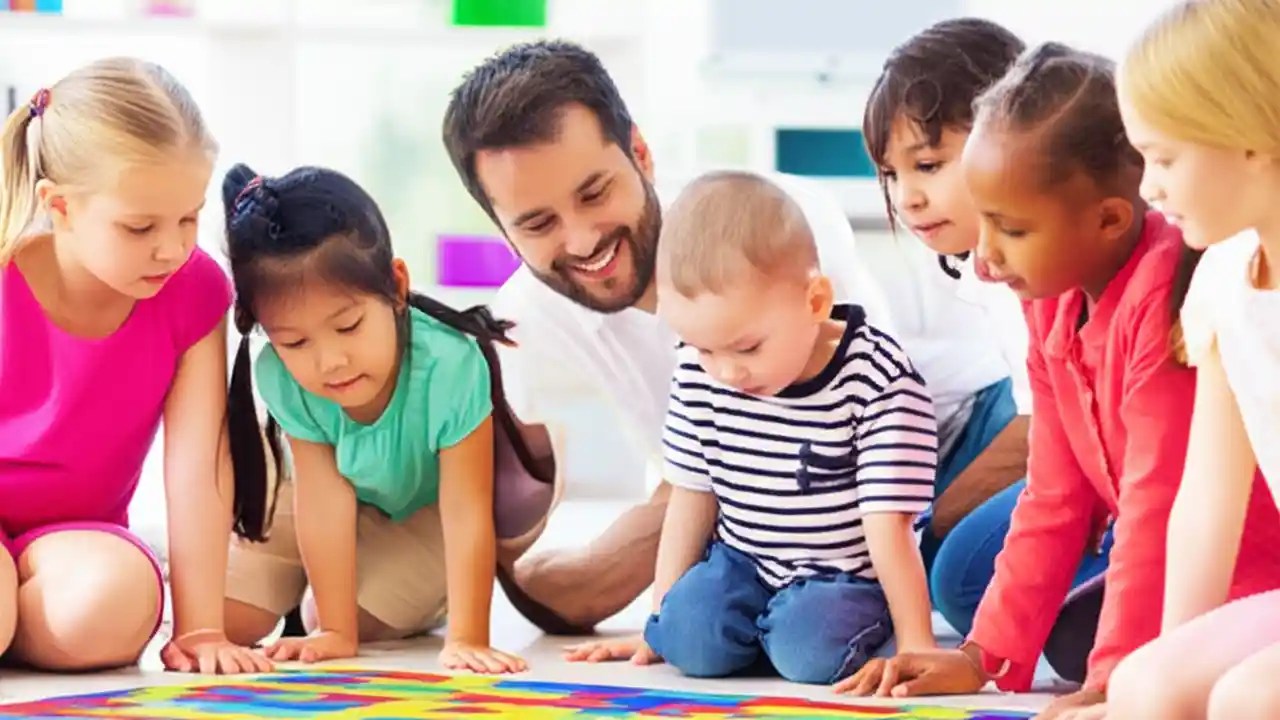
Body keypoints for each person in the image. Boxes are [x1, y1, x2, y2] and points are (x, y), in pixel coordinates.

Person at [441, 38, 1028, 637]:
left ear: (640, 154)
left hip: (957, 433)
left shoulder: (771, 217)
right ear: (502, 231)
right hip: (769, 501)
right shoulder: (523, 315)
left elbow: (861, 417)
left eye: (594, 193)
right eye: (538, 223)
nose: (583, 238)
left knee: (954, 574)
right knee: (576, 596)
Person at [837, 43, 1280, 720]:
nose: (983, 256)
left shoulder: (1167, 289)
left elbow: (1155, 506)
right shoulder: (1049, 298)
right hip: (1182, 581)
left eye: (1010, 229)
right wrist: (982, 654)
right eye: (982, 221)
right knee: (966, 578)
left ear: (1108, 219)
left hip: (1238, 584)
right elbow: (1053, 492)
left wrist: (1110, 679)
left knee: (1156, 679)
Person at [575, 171, 938, 683]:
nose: (725, 372)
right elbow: (691, 497)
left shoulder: (878, 380)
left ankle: (786, 631)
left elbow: (891, 526)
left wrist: (917, 643)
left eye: (747, 348)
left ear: (814, 302)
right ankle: (755, 627)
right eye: (704, 348)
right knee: (687, 640)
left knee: (807, 650)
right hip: (745, 564)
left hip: (846, 577)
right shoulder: (698, 372)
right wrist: (659, 621)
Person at [0, 58, 268, 674]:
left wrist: (201, 627)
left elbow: (198, 465)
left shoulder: (195, 289)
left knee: (112, 608)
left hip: (78, 537)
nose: (172, 248)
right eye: (139, 226)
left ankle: (18, 625)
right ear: (59, 206)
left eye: (189, 218)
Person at [218, 164, 530, 674]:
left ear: (396, 287)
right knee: (230, 619)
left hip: (426, 512)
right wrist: (334, 634)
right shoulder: (281, 374)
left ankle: (362, 598)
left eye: (348, 325)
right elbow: (322, 496)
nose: (330, 362)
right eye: (295, 342)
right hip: (345, 497)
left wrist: (469, 637)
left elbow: (466, 509)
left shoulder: (450, 363)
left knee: (329, 612)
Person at [861, 17, 1082, 637]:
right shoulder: (980, 271)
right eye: (891, 175)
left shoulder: (1049, 269)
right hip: (1063, 458)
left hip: (1106, 469)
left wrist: (931, 519)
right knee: (943, 566)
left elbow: (1053, 439)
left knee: (954, 574)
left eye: (928, 164)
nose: (906, 198)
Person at [1104, 2, 1280, 718]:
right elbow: (1209, 500)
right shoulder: (1223, 279)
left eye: (1165, 158)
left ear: (1253, 140)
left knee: (1249, 698)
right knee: (1142, 688)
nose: (1147, 187)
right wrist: (1172, 661)